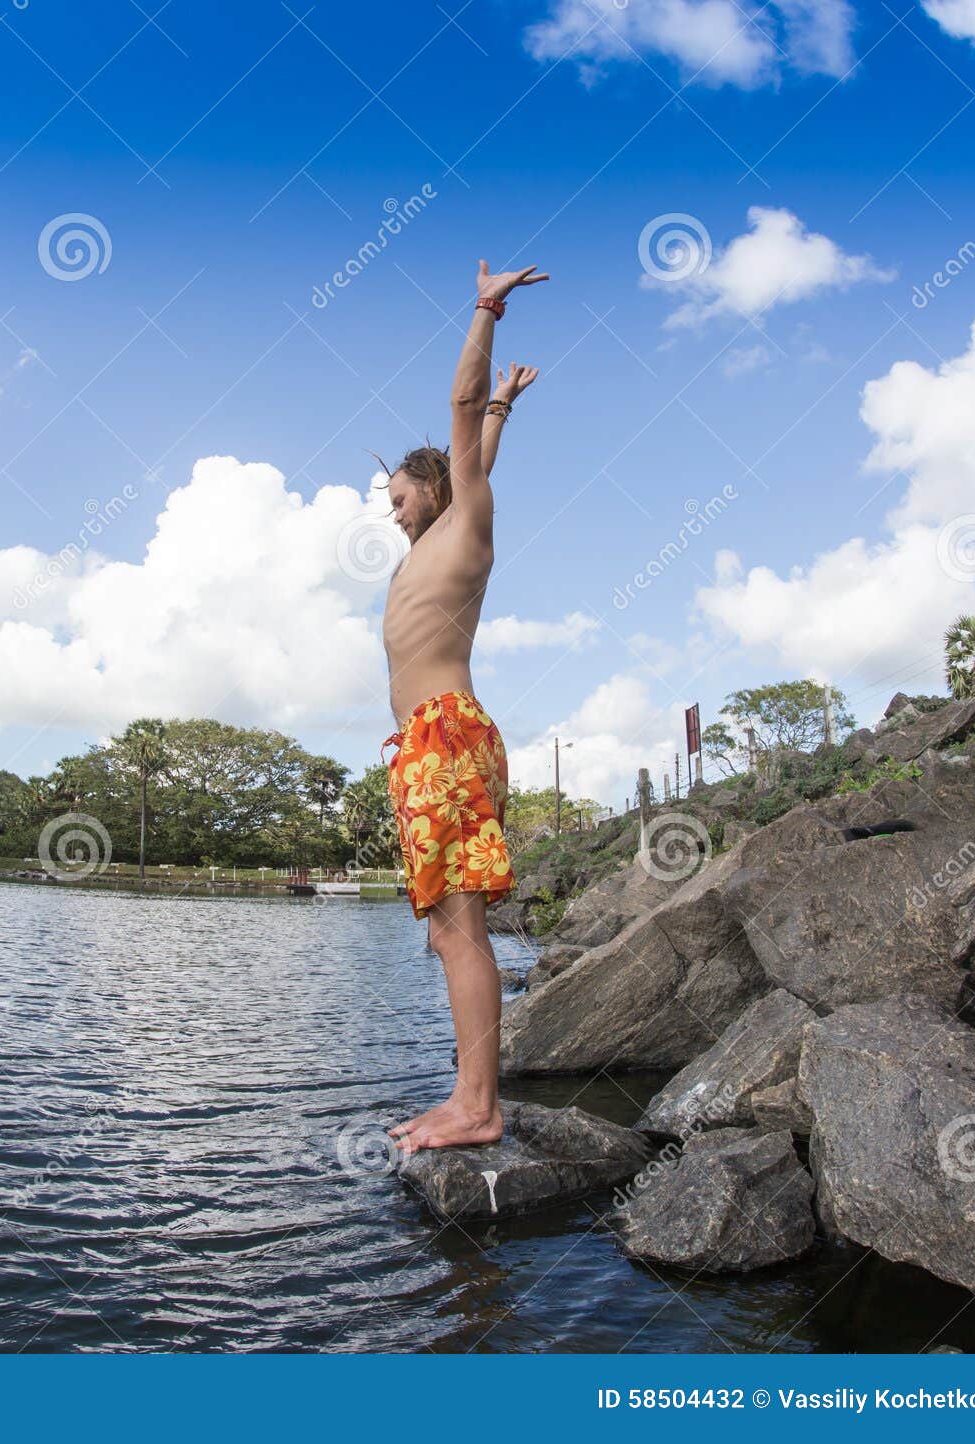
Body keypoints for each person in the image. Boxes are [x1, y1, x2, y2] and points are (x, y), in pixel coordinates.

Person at [380, 259, 546, 1153]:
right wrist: (504, 414)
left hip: (446, 734)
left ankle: (479, 1107)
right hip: (423, 740)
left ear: (433, 488)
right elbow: (474, 439)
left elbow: (460, 417)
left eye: (397, 491)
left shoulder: (467, 517)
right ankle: (468, 1094)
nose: (389, 504)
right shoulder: (430, 546)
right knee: (449, 936)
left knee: (460, 929)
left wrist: (486, 310)